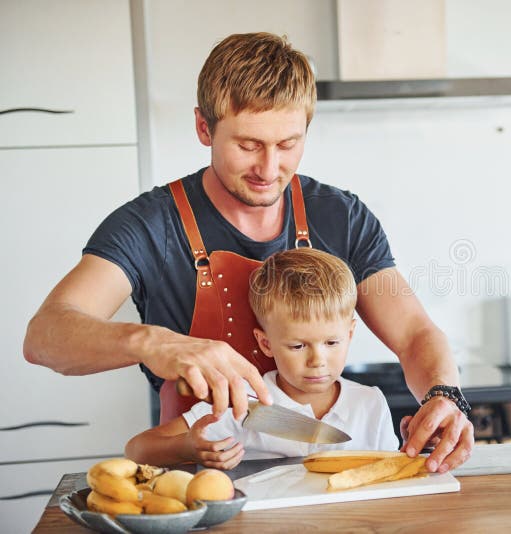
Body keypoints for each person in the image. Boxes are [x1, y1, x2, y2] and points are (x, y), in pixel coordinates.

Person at [23, 32, 472, 473]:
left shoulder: (343, 217)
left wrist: (444, 396)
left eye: (288, 144)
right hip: (196, 486)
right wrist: (154, 343)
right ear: (204, 127)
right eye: (248, 145)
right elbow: (45, 337)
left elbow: (414, 333)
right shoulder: (149, 226)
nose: (269, 168)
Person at [125, 248, 398, 468]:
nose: (318, 360)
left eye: (331, 342)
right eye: (298, 346)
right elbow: (137, 450)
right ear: (265, 343)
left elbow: (392, 475)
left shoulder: (370, 404)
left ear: (349, 334)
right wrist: (186, 448)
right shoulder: (243, 402)